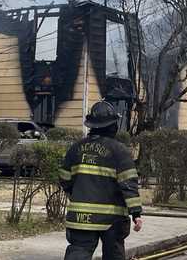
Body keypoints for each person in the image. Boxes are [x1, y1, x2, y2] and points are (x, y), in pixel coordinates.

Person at [60, 101, 143, 260]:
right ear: (113, 126)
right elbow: (128, 185)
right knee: (113, 254)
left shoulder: (75, 149)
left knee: (78, 253)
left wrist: (77, 195)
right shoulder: (119, 151)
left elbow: (64, 178)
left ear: (91, 125)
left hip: (80, 218)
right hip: (112, 219)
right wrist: (136, 213)